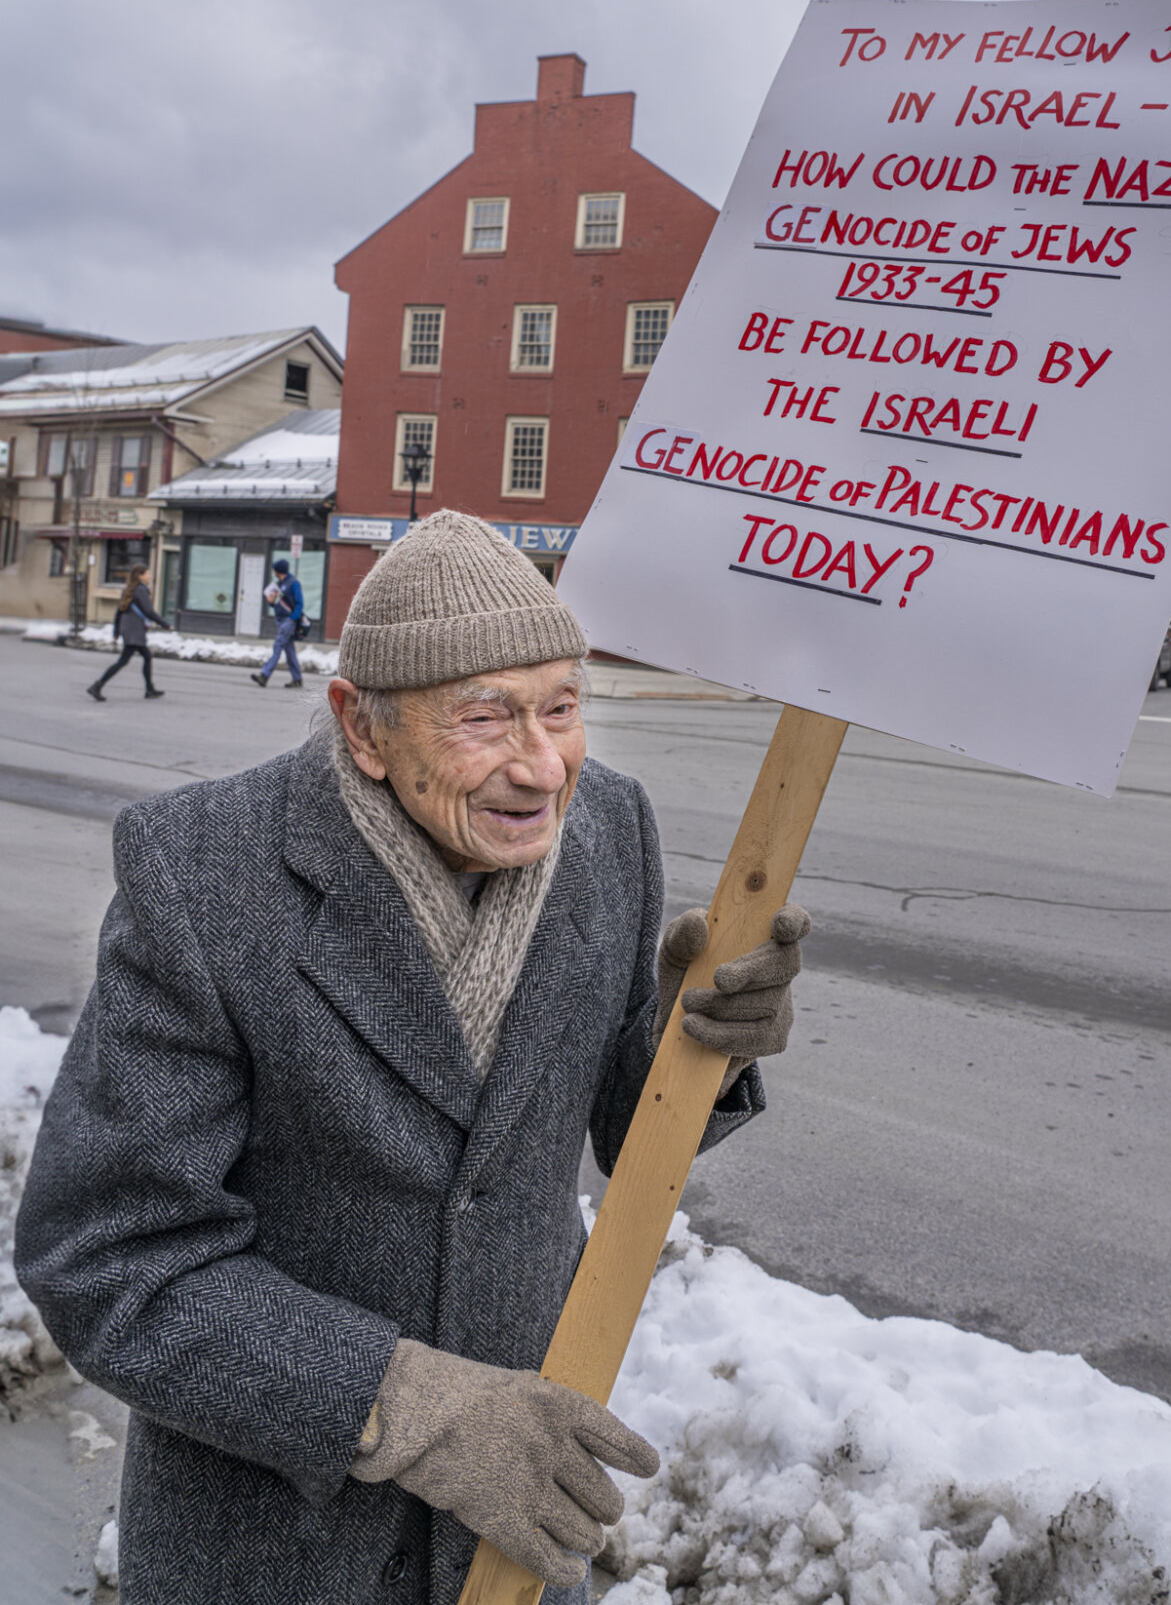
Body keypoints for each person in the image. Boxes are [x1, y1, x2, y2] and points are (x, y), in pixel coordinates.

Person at [17, 510, 809, 1605]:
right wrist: (414, 1409)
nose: (542, 765)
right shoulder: (204, 873)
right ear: (364, 727)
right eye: (484, 716)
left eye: (563, 708)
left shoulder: (610, 829)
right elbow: (105, 1257)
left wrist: (694, 1036)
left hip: (513, 1545)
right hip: (270, 1559)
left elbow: (627, 1136)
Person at [86, 564, 168, 701]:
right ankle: (97, 686)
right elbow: (149, 611)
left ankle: (150, 689)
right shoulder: (141, 590)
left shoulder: (129, 589)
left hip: (129, 628)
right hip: (134, 631)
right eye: (148, 573)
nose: (150, 576)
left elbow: (119, 611)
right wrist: (165, 624)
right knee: (123, 661)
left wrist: (117, 629)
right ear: (140, 576)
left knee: (147, 656)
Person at [251, 556, 305, 688]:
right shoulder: (279, 584)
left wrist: (292, 619)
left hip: (288, 621)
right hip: (281, 620)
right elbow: (278, 604)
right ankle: (297, 679)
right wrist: (271, 602)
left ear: (278, 570)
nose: (273, 571)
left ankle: (264, 675)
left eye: (274, 569)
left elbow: (300, 603)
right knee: (289, 651)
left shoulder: (293, 583)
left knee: (277, 647)